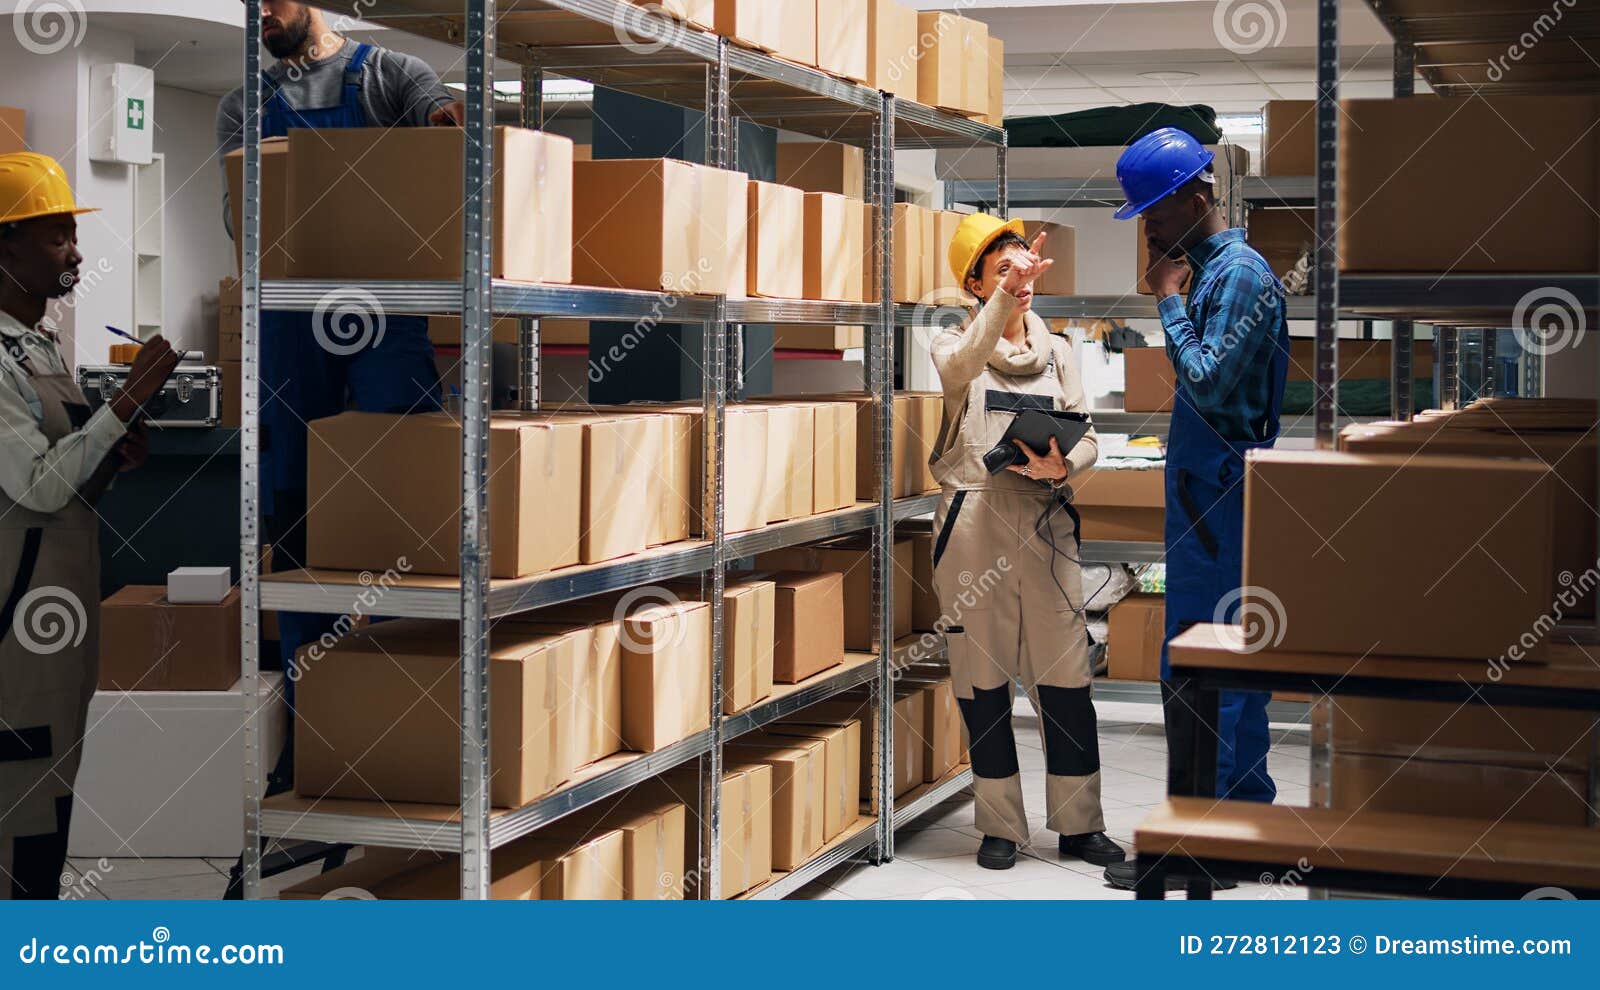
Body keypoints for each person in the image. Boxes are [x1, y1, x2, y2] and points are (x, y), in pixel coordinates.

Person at [216, 0, 461, 680]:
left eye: (274, 1)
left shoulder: (392, 76)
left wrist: (445, 123)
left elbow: (438, 119)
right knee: (295, 499)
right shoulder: (243, 106)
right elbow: (243, 221)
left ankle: (400, 683)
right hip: (289, 314)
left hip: (385, 305)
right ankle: (318, 702)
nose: (263, 14)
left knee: (398, 481)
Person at [1100, 128, 1289, 891]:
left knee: (1207, 667)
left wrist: (1169, 302)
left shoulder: (1236, 275)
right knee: (1219, 662)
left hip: (1222, 497)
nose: (1147, 228)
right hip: (1206, 496)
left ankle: (1208, 842)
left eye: (1153, 211)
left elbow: (1208, 382)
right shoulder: (1209, 271)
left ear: (1195, 195)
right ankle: (1236, 826)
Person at [0, 152, 179, 898]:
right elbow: (38, 486)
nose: (75, 253)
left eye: (73, 236)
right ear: (5, 245)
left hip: (59, 612)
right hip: (14, 620)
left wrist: (111, 458)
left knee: (53, 783)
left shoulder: (38, 344)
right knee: (17, 799)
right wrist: (126, 400)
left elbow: (68, 476)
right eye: (56, 237)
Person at [928, 214, 1124, 871]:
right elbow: (964, 363)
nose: (1021, 279)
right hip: (974, 528)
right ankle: (999, 827)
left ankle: (1080, 824)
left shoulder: (1060, 352)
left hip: (1045, 525)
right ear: (975, 285)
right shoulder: (951, 345)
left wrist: (1064, 466)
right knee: (982, 683)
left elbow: (1088, 435)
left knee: (1067, 680)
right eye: (1003, 270)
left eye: (1025, 267)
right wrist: (1005, 301)